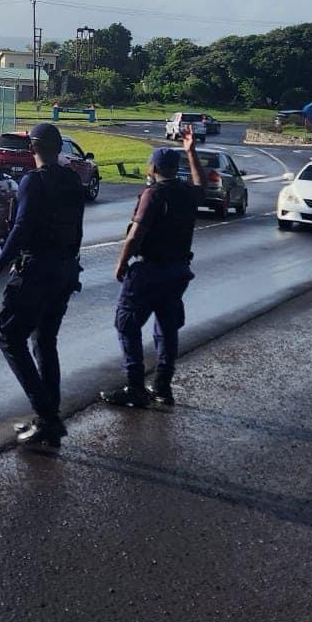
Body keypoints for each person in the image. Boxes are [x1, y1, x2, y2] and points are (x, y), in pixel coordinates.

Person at [0, 121, 87, 451]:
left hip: (37, 271)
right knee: (45, 340)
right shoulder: (73, 181)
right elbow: (78, 230)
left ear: (33, 149)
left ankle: (47, 416)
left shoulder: (32, 182)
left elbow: (22, 226)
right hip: (65, 271)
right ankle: (48, 419)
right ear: (59, 149)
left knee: (11, 338)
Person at [101, 125, 206, 409]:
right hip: (178, 271)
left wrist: (121, 263)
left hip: (151, 271)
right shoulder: (186, 193)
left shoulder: (154, 194)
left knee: (126, 324)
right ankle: (162, 386)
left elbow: (135, 235)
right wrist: (191, 152)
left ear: (153, 168)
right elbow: (201, 187)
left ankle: (134, 386)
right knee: (167, 328)